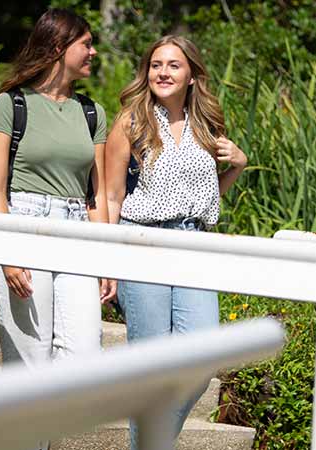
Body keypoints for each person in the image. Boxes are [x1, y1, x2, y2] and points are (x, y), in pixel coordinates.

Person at [0, 10, 114, 448]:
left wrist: (107, 259)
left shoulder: (91, 112)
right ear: (58, 47)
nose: (93, 52)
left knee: (83, 358)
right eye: (86, 43)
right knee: (29, 361)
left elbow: (99, 195)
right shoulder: (10, 105)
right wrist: (9, 252)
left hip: (76, 231)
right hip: (23, 226)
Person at [104, 35, 248, 448]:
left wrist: (237, 166)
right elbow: (112, 196)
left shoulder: (208, 125)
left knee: (200, 362)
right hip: (143, 244)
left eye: (173, 65)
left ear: (191, 75)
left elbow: (202, 197)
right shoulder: (131, 122)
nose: (163, 73)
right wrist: (107, 264)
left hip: (195, 245)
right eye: (156, 65)